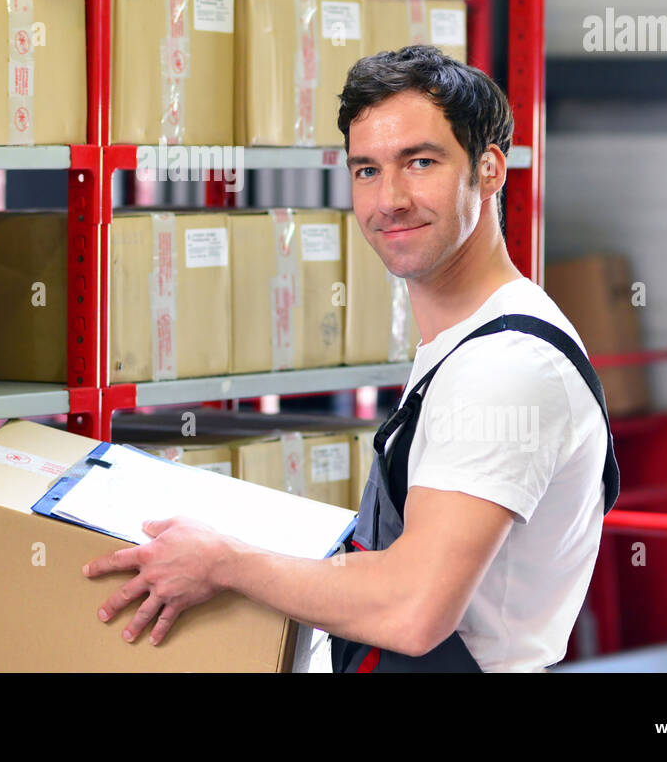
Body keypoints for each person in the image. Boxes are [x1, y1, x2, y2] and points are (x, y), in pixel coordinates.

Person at [83, 46, 620, 672]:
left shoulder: (505, 367)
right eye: (367, 170)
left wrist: (225, 564)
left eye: (420, 162)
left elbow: (414, 610)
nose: (388, 199)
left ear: (490, 169)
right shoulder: (468, 343)